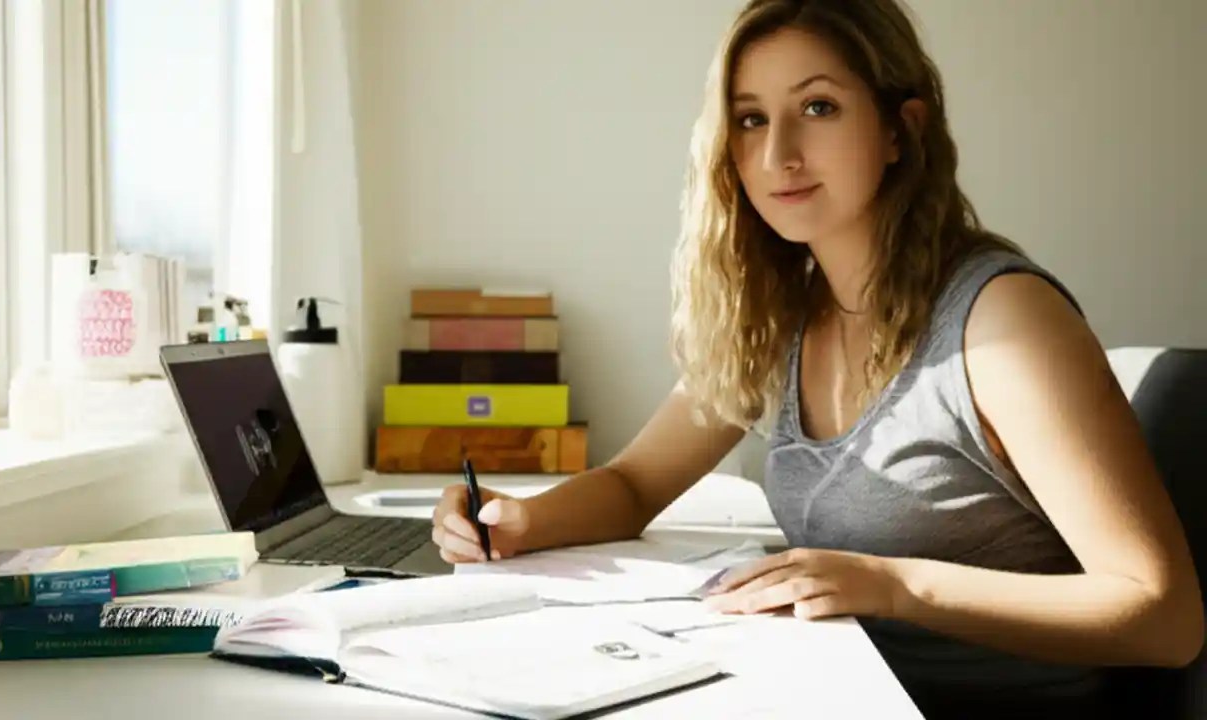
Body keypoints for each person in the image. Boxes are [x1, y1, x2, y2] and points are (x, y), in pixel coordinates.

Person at [429, 0, 1203, 717]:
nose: (779, 155)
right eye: (750, 119)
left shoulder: (1001, 321)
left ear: (902, 128)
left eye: (818, 108)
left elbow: (1163, 618)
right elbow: (634, 484)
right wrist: (521, 520)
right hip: (836, 690)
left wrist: (893, 585)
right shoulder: (782, 317)